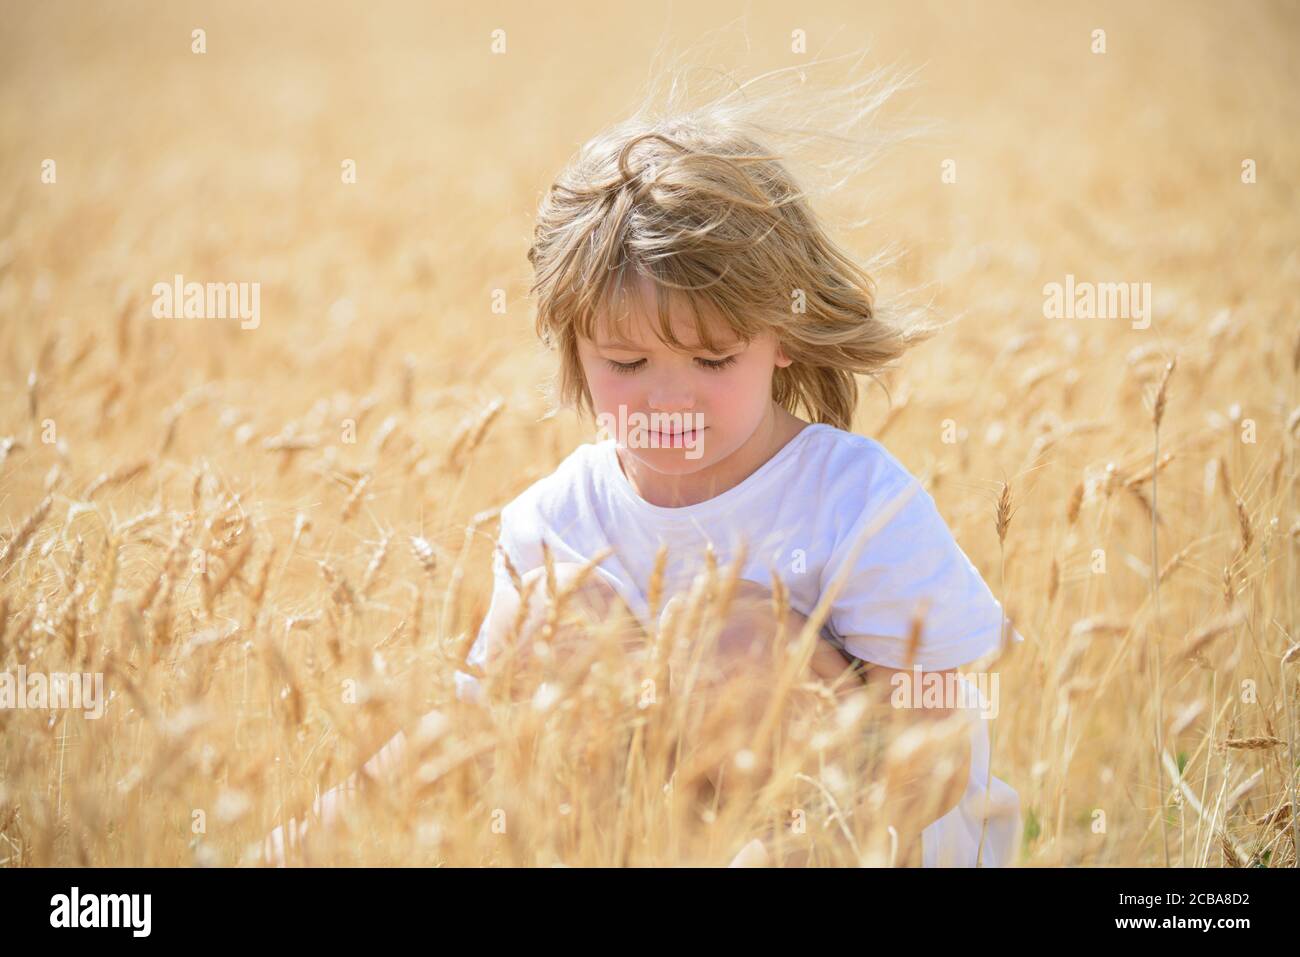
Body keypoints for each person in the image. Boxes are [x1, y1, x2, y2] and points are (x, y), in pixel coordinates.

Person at [266, 70, 1024, 868]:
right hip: (681, 843)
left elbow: (932, 747)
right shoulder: (557, 523)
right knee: (563, 624)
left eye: (712, 358)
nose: (669, 397)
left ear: (785, 337)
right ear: (573, 347)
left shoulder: (853, 496)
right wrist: (304, 842)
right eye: (626, 361)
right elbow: (475, 729)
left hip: (872, 843)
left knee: (730, 638)